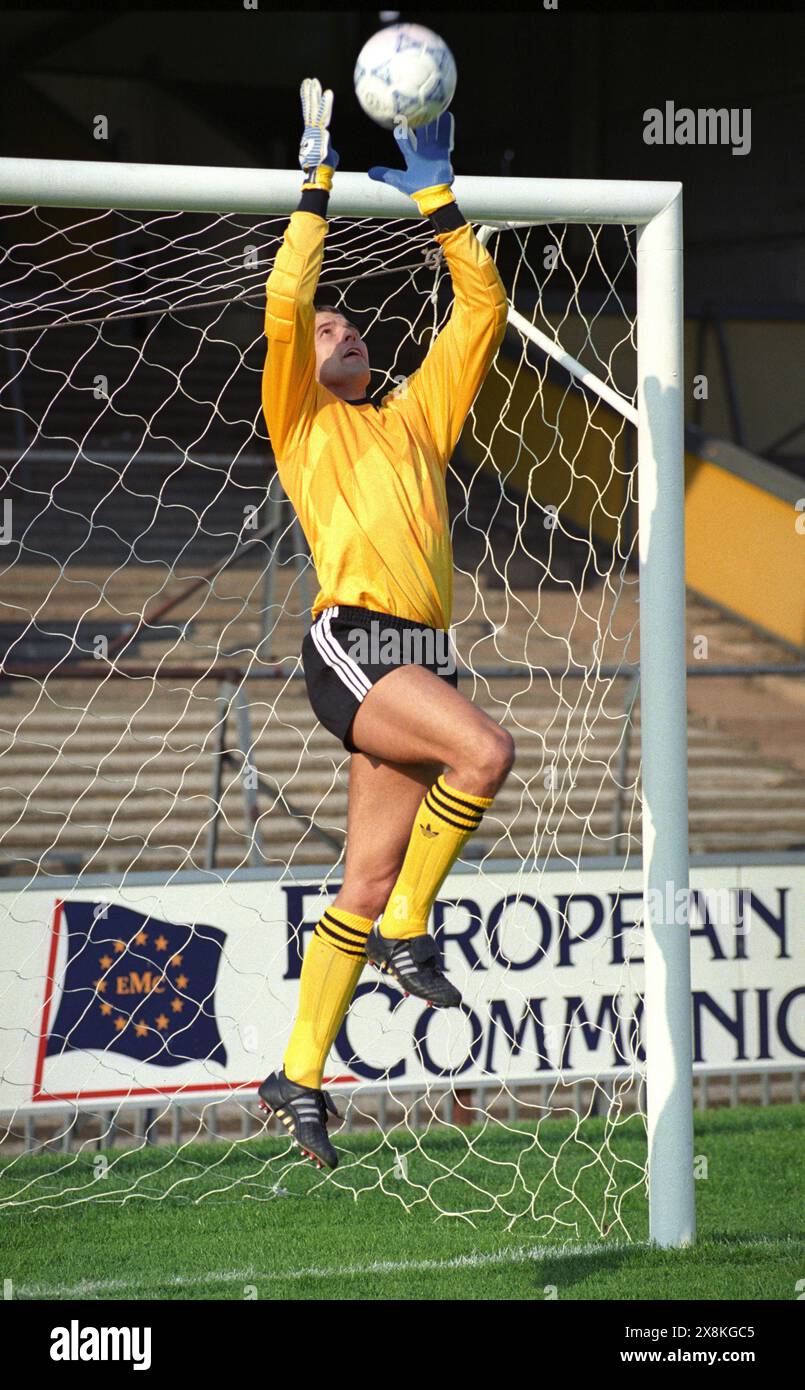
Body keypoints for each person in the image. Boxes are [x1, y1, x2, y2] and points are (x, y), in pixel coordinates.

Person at [258, 77, 514, 1169]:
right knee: (487, 750)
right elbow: (283, 307)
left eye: (350, 318)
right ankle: (414, 922)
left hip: (416, 654)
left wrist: (440, 205)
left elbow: (482, 310)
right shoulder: (299, 419)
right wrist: (312, 189)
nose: (341, 328)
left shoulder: (416, 413)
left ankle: (296, 1075)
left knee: (357, 881)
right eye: (327, 327)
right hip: (349, 642)